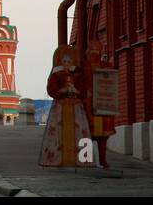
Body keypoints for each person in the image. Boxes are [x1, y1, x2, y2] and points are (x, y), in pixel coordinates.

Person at [38, 44, 91, 168]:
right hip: (60, 106)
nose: (67, 63)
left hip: (76, 107)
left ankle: (82, 159)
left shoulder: (77, 75)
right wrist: (60, 91)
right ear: (60, 62)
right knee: (57, 132)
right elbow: (51, 89)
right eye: (64, 61)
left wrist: (77, 91)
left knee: (79, 131)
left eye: (69, 61)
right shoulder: (57, 75)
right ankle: (55, 159)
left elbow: (84, 89)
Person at [84, 40, 117, 168]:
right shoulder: (84, 67)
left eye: (97, 50)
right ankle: (85, 159)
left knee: (103, 137)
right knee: (87, 134)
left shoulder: (105, 66)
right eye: (93, 49)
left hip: (102, 104)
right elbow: (82, 83)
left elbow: (110, 80)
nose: (95, 52)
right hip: (88, 105)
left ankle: (103, 160)